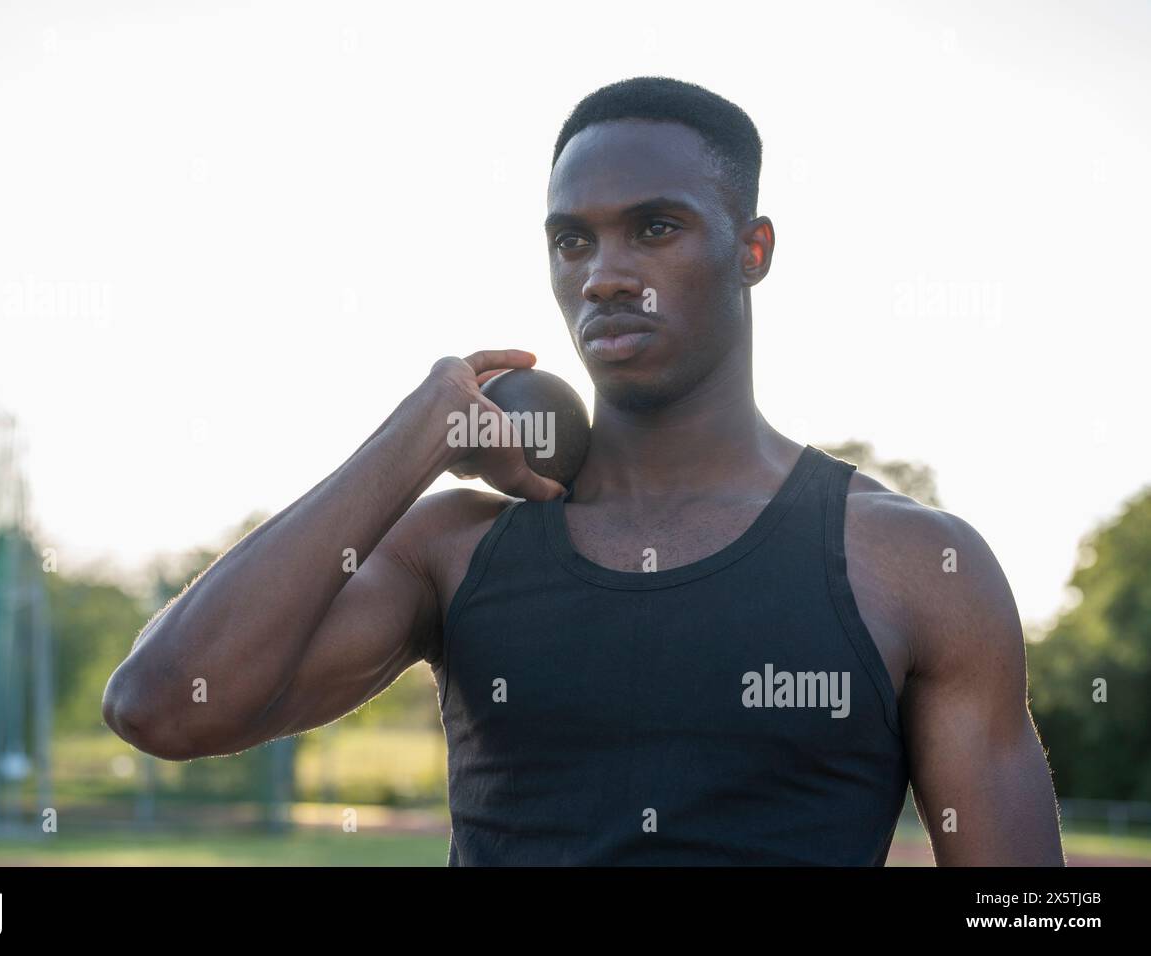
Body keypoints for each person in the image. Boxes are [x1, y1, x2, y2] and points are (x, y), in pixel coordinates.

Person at [103, 76, 1064, 866]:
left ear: (753, 251)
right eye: (573, 240)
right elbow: (163, 707)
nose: (603, 272)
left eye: (654, 229)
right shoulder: (455, 550)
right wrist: (414, 440)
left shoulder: (914, 565)